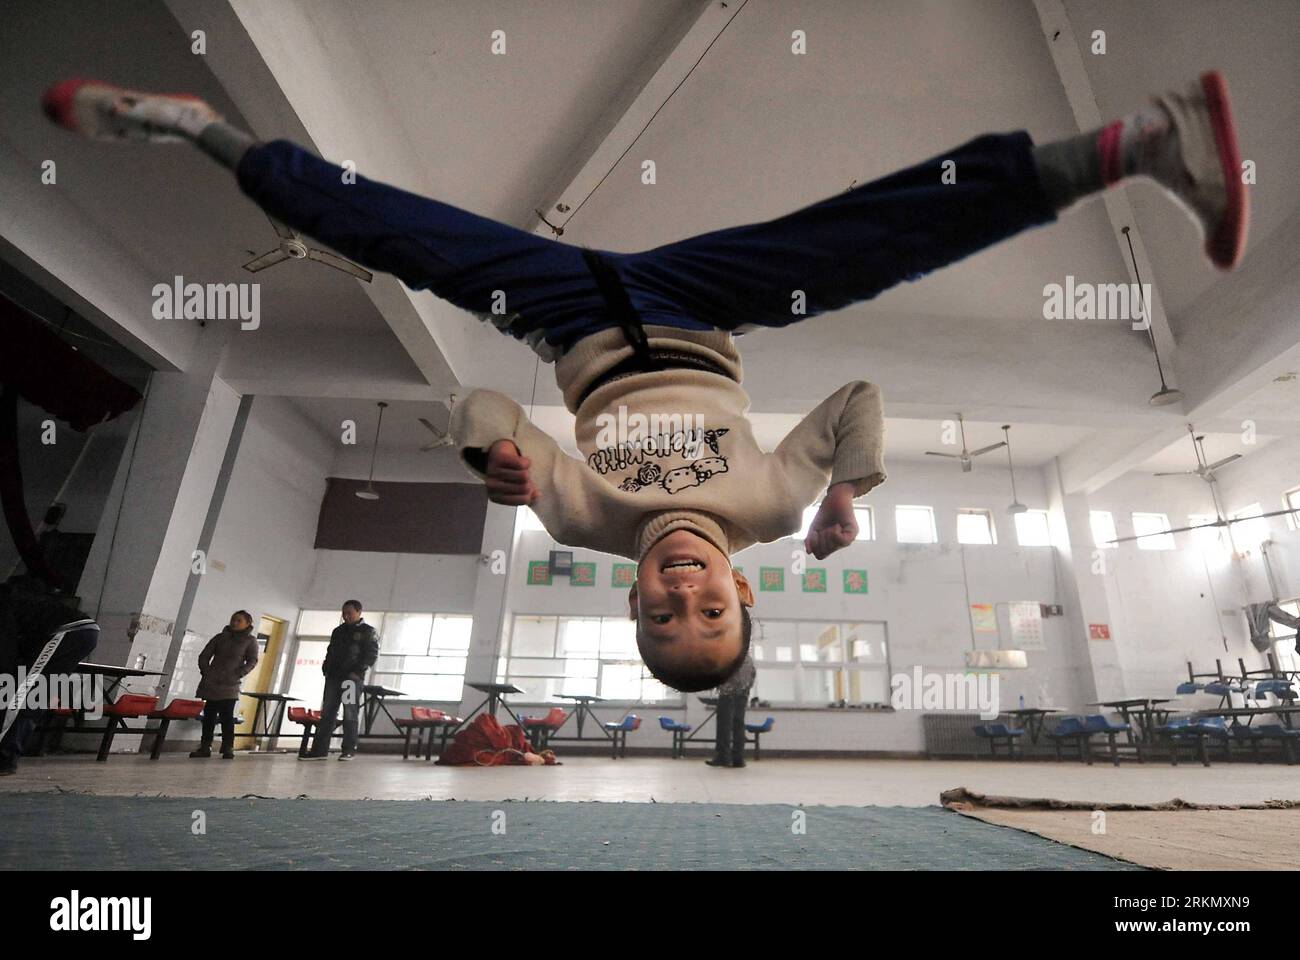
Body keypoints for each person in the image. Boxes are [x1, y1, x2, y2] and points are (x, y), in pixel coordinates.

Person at [42, 72, 1248, 694]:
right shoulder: (773, 512)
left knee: (395, 238)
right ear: (742, 595)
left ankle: (200, 132)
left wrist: (491, 456)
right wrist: (849, 494)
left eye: (663, 614)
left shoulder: (581, 517)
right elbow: (854, 399)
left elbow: (486, 406)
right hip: (707, 304)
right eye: (710, 610)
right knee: (854, 249)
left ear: (630, 609)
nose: (681, 591)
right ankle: (1130, 147)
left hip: (562, 316)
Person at [0, 577, 100, 775]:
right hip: (81, 632)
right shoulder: (16, 600)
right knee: (35, 698)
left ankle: (5, 756)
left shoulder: (4, 604)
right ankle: (9, 754)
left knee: (18, 694)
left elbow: (6, 652)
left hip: (67, 632)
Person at [301, 600, 378, 761]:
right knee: (327, 713)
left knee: (350, 712)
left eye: (349, 612)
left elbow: (371, 655)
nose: (346, 616)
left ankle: (348, 749)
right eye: (344, 612)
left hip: (351, 679)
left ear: (359, 612)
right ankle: (319, 751)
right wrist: (326, 668)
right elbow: (330, 651)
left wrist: (357, 672)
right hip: (333, 677)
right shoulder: (338, 631)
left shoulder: (368, 632)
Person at [190, 610, 259, 760]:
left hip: (230, 684)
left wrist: (239, 673)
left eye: (239, 620)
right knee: (209, 716)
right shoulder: (220, 637)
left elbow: (252, 661)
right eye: (233, 619)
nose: (234, 622)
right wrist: (206, 671)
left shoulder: (250, 641)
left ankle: (228, 747)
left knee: (227, 716)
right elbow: (204, 655)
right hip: (212, 682)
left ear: (248, 623)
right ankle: (205, 746)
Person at [707, 646, 755, 769]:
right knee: (738, 724)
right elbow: (752, 675)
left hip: (728, 695)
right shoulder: (747, 658)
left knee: (724, 725)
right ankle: (738, 758)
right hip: (742, 695)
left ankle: (723, 757)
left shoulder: (729, 655)